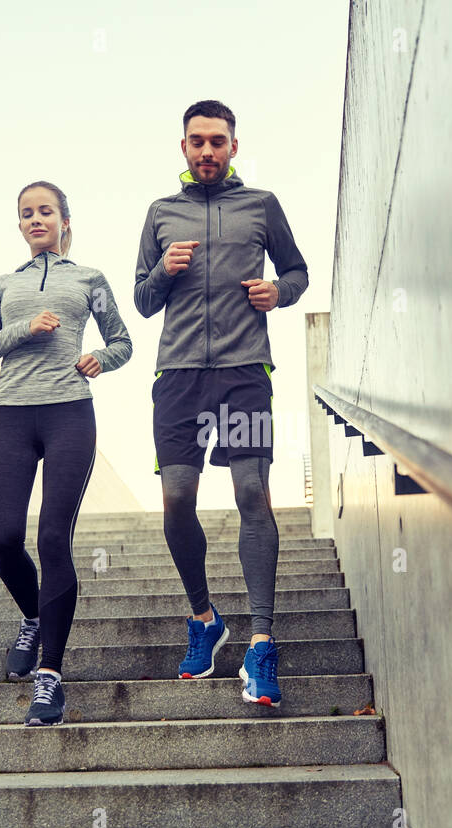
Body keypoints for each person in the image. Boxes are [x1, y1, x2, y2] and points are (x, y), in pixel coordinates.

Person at [134, 100, 308, 708]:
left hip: (242, 373)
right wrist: (163, 270)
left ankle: (261, 641)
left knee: (249, 494)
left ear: (234, 146)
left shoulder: (261, 205)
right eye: (196, 141)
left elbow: (297, 270)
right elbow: (142, 301)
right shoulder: (161, 213)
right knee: (178, 497)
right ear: (182, 148)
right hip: (178, 374)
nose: (206, 150)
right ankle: (205, 620)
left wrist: (277, 292)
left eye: (217, 141)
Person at [0, 180, 133, 726]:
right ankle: (35, 617)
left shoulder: (89, 279)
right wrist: (23, 327)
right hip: (10, 415)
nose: (35, 220)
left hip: (68, 414)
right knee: (4, 540)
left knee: (51, 538)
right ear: (18, 225)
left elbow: (122, 341)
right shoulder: (0, 284)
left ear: (64, 220)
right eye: (26, 214)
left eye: (45, 212)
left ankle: (50, 678)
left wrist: (100, 361)